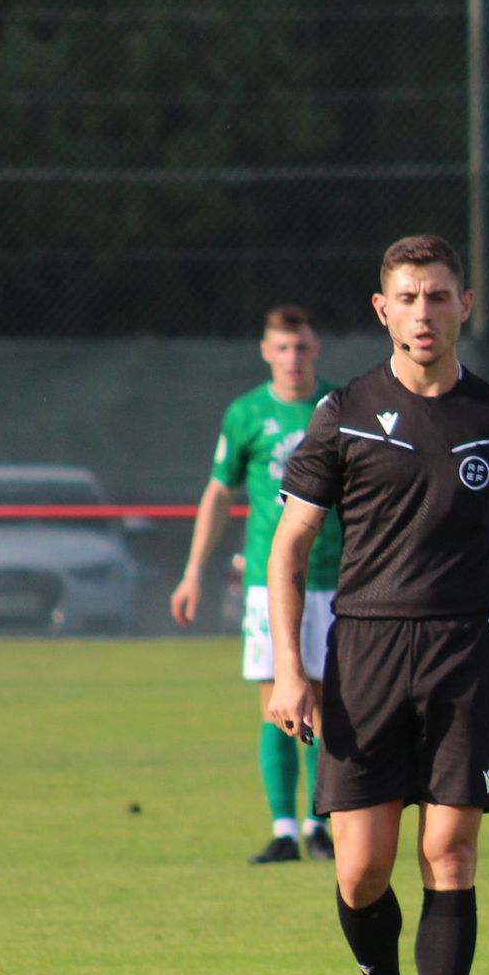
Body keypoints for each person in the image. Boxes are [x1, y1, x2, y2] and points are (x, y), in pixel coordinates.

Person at [266, 235, 489, 975]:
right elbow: (290, 549)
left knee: (450, 852)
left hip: (465, 653)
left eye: (440, 296)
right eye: (409, 298)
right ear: (382, 309)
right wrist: (290, 668)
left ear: (464, 304)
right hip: (362, 654)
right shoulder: (345, 411)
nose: (425, 313)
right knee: (360, 871)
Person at [170, 306, 343, 863]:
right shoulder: (245, 413)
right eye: (283, 348)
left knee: (325, 704)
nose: (293, 358)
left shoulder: (340, 406)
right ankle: (283, 828)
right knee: (277, 702)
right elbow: (219, 492)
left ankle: (321, 826)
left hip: (337, 577)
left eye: (302, 347)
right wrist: (194, 570)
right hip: (272, 583)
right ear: (266, 352)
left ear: (316, 349)